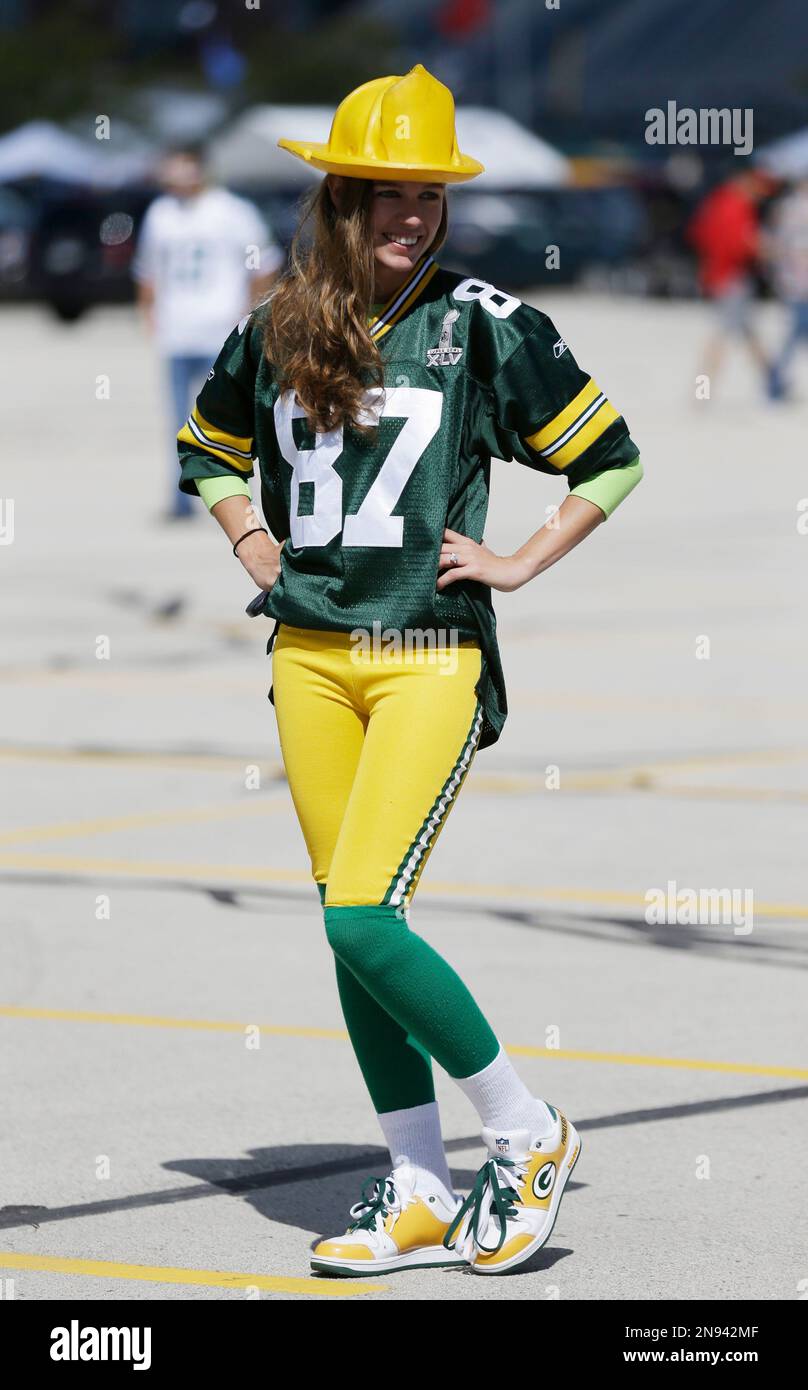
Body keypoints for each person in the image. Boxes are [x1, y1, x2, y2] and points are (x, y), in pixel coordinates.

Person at [177, 65, 643, 1277]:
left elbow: (609, 458)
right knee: (351, 937)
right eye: (386, 193)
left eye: (428, 194)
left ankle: (525, 1131)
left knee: (359, 915)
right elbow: (206, 443)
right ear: (336, 196)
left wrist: (520, 560)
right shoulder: (275, 322)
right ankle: (420, 1186)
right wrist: (252, 538)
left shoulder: (480, 319)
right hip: (309, 659)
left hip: (423, 655)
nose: (410, 215)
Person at [133, 144, 284, 520]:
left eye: (184, 168)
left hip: (221, 331)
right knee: (179, 419)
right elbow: (148, 268)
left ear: (201, 170)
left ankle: (244, 499)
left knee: (234, 419)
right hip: (177, 330)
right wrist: (148, 311)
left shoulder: (233, 211)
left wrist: (252, 312)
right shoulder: (161, 213)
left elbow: (263, 262)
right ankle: (181, 499)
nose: (176, 177)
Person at [686, 170, 774, 397]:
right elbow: (739, 244)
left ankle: (775, 385)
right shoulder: (737, 206)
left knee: (748, 333)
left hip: (717, 275)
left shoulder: (716, 201)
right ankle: (702, 392)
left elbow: (697, 233)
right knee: (721, 339)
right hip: (731, 278)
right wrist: (762, 249)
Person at [763, 177, 808, 399]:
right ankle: (775, 384)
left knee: (795, 334)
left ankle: (775, 383)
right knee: (795, 334)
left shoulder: (785, 208)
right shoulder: (796, 209)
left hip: (791, 282)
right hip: (798, 284)